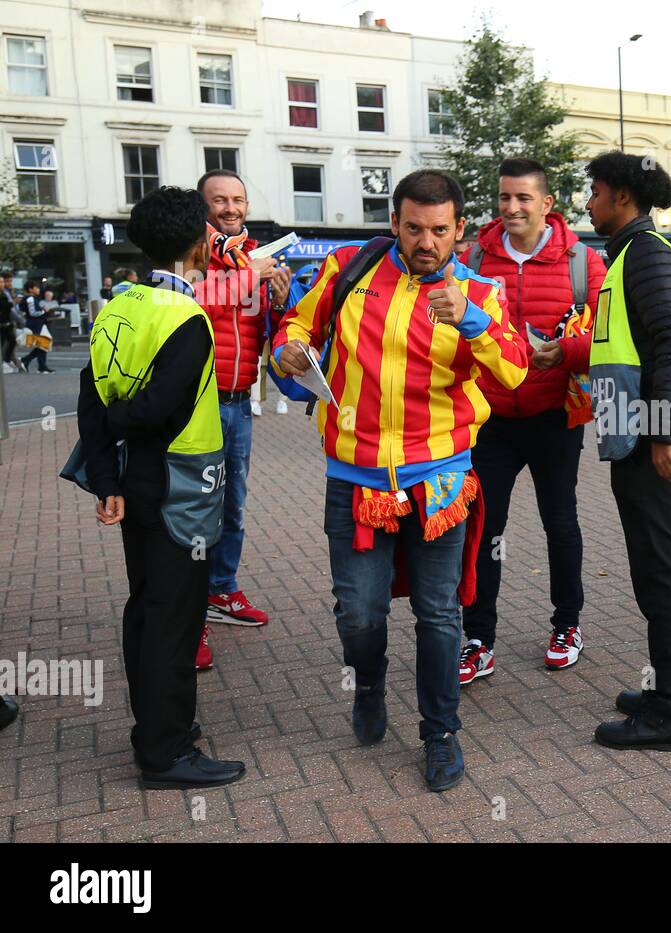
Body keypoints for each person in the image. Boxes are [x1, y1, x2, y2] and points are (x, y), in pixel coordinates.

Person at [272, 169, 527, 792]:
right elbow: (297, 328)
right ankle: (368, 682)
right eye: (413, 228)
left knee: (440, 615)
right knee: (358, 614)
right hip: (354, 478)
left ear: (459, 229)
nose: (426, 242)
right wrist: (288, 349)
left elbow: (517, 370)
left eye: (439, 231)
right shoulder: (346, 271)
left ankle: (441, 733)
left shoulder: (480, 292)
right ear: (395, 224)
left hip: (440, 479)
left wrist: (469, 319)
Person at [76, 185, 246, 790]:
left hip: (132, 482)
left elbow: (90, 404)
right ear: (201, 243)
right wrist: (127, 423)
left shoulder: (116, 308)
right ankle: (165, 752)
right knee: (174, 616)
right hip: (180, 486)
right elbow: (159, 408)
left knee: (145, 608)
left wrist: (105, 479)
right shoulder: (187, 316)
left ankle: (155, 726)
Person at [584, 150, 671, 751]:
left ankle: (668, 715)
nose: (588, 203)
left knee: (660, 569)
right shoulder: (631, 255)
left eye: (594, 192)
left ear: (621, 197)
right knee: (666, 565)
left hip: (654, 436)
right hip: (642, 430)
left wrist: (664, 432)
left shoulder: (644, 255)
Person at [456, 157, 606, 684]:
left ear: (547, 204)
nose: (512, 208)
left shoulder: (585, 262)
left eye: (523, 198)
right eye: (504, 198)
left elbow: (608, 338)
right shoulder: (472, 256)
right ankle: (478, 639)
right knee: (483, 528)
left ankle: (567, 624)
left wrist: (563, 351)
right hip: (489, 418)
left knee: (559, 522)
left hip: (553, 416)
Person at [195, 168, 293, 651]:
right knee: (195, 510)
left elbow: (265, 331)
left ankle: (221, 589)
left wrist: (279, 299)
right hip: (197, 405)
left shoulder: (254, 258)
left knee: (233, 504)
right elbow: (193, 299)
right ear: (203, 207)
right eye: (220, 200)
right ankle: (189, 614)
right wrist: (246, 277)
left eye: (238, 199)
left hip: (238, 403)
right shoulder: (194, 252)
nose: (230, 208)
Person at [18, 280, 54, 373]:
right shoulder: (30, 299)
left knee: (43, 344)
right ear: (30, 289)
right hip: (35, 324)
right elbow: (33, 312)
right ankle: (37, 364)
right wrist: (44, 311)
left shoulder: (32, 298)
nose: (38, 289)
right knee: (44, 342)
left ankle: (34, 363)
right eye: (36, 288)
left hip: (38, 324)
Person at [1, 272, 19, 373]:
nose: (8, 283)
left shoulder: (10, 291)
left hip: (10, 320)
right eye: (6, 281)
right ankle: (13, 362)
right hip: (6, 321)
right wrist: (13, 302)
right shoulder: (4, 293)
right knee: (9, 341)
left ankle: (10, 362)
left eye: (10, 281)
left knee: (10, 341)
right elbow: (7, 306)